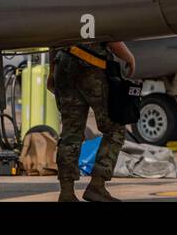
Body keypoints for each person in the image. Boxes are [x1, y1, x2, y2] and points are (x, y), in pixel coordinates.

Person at [52, 39, 135, 202]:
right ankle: (97, 185)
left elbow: (53, 39)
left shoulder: (60, 11)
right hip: (92, 65)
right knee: (115, 129)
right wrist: (129, 57)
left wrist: (52, 71)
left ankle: (66, 193)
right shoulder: (102, 11)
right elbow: (110, 36)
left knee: (70, 134)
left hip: (63, 63)